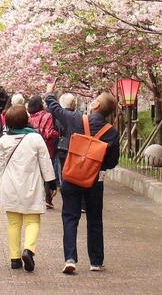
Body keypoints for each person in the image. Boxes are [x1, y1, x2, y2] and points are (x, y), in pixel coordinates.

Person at [45, 80, 120, 275]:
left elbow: (55, 110)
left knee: (70, 216)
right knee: (94, 218)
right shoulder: (111, 133)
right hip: (94, 180)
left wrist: (50, 93)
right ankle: (96, 261)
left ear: (95, 106)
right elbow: (112, 163)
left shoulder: (77, 119)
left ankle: (70, 258)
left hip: (71, 176)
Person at [0, 106, 56, 272]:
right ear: (26, 120)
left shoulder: (3, 140)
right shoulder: (35, 138)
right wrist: (51, 182)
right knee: (32, 220)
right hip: (31, 185)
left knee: (13, 223)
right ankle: (28, 250)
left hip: (9, 185)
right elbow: (45, 161)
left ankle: (14, 259)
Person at [27, 95, 59, 208]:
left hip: (31, 146)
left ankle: (33, 197)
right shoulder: (47, 116)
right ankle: (47, 199)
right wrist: (58, 134)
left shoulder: (29, 117)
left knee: (34, 172)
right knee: (46, 171)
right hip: (46, 147)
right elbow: (48, 133)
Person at [52, 92, 78, 187]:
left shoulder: (60, 116)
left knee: (62, 171)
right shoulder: (78, 116)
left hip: (62, 147)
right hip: (76, 147)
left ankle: (64, 187)